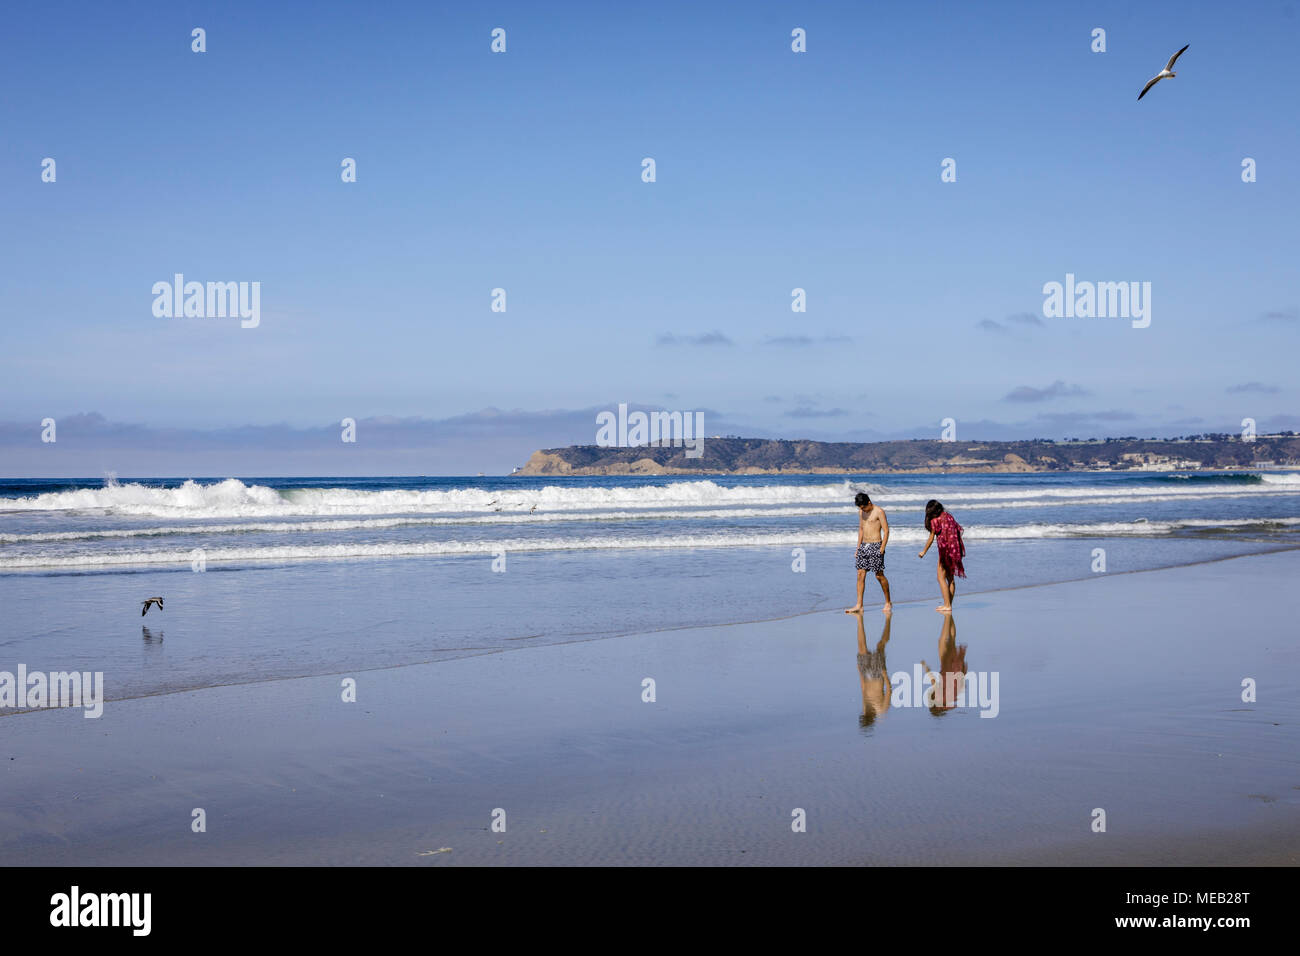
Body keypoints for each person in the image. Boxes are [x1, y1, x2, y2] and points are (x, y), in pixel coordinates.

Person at [845, 491, 891, 613]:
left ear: (869, 502)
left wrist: (882, 547)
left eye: (864, 507)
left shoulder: (879, 511)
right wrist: (858, 548)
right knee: (860, 575)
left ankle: (888, 602)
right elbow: (861, 529)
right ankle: (859, 605)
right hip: (864, 546)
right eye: (861, 508)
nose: (863, 510)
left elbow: (886, 531)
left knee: (879, 575)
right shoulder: (861, 512)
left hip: (876, 545)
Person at [918, 499, 964, 613]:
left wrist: (923, 551)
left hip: (945, 552)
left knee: (940, 578)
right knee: (951, 580)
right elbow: (959, 530)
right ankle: (948, 605)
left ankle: (947, 605)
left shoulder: (935, 521)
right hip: (955, 550)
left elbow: (931, 538)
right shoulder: (948, 516)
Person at [855, 612, 891, 727]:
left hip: (867, 674)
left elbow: (863, 690)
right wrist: (884, 673)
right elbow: (889, 691)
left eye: (864, 715)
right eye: (865, 715)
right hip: (877, 674)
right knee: (880, 645)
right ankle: (888, 622)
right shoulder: (882, 710)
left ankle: (859, 621)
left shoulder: (869, 708)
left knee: (861, 646)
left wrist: (860, 672)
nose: (865, 712)